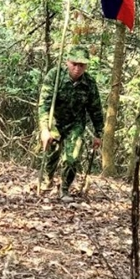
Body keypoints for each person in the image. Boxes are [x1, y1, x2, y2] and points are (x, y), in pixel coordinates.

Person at [38, 45, 103, 201]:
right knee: (52, 151)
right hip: (55, 120)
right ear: (67, 62)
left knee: (72, 158)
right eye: (74, 64)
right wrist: (44, 129)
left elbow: (95, 109)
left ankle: (65, 189)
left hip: (75, 124)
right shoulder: (55, 76)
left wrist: (98, 133)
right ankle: (47, 180)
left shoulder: (89, 83)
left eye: (82, 65)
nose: (77, 68)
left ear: (86, 66)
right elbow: (44, 104)